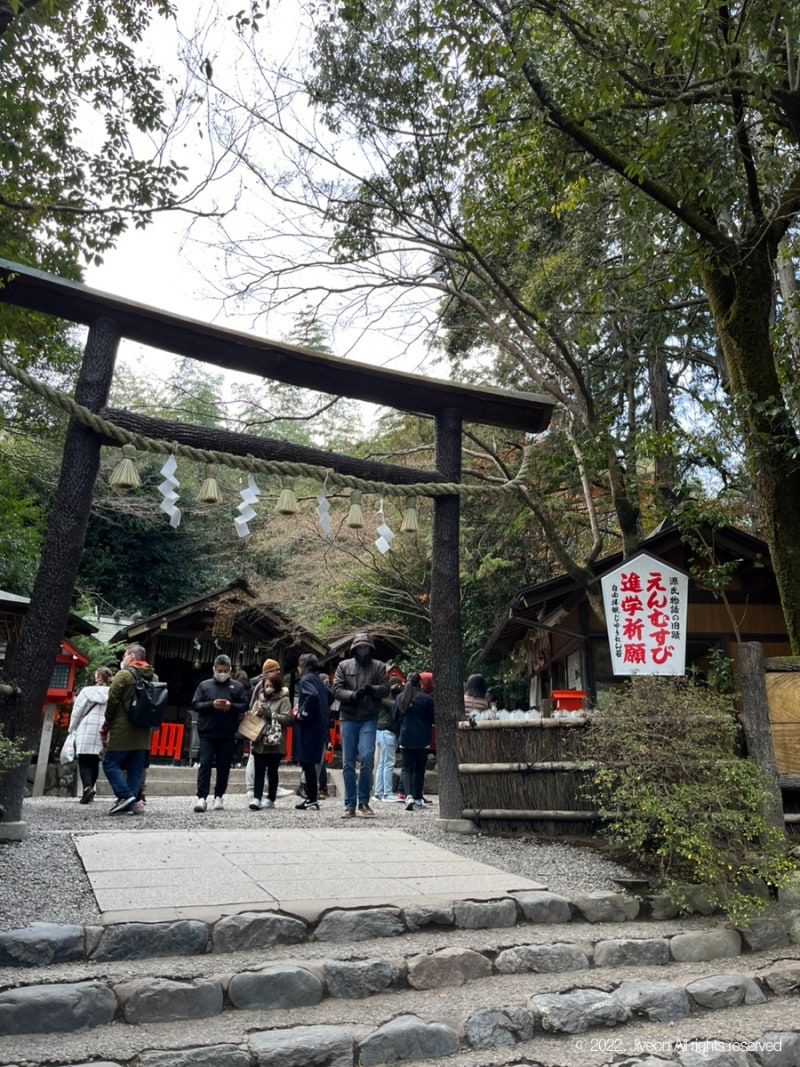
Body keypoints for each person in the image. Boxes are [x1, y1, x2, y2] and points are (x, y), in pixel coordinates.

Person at [333, 632, 389, 819]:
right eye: (360, 647)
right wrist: (353, 695)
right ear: (354, 648)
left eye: (366, 647)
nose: (363, 650)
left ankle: (364, 801)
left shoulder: (379, 666)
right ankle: (350, 804)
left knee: (366, 757)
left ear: (370, 648)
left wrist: (371, 690)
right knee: (348, 761)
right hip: (348, 715)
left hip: (369, 717)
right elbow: (337, 689)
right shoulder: (343, 666)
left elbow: (385, 689)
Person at [102, 644, 157, 816]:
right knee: (135, 767)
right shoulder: (153, 677)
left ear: (131, 657)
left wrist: (107, 723)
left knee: (109, 762)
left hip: (123, 727)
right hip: (143, 730)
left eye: (125, 655)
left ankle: (125, 796)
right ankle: (133, 804)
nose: (123, 659)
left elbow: (112, 701)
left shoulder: (124, 675)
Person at [190, 654, 248, 812]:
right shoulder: (204, 686)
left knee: (224, 766)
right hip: (207, 731)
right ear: (214, 669)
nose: (222, 673)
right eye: (219, 670)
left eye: (225, 670)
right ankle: (201, 797)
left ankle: (219, 796)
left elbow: (244, 705)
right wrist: (211, 704)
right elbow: (195, 704)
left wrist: (231, 707)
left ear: (230, 670)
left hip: (228, 732)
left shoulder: (237, 687)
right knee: (205, 763)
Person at [247, 658, 291, 810]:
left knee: (272, 772)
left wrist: (271, 714)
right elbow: (252, 714)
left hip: (275, 742)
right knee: (259, 771)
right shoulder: (260, 698)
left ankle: (271, 798)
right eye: (266, 686)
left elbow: (286, 719)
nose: (268, 688)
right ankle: (256, 798)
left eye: (271, 686)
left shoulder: (284, 700)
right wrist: (257, 713)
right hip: (259, 740)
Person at [292, 653, 332, 811]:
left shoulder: (306, 679)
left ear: (303, 664)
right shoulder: (319, 681)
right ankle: (312, 798)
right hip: (319, 726)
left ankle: (311, 798)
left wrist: (302, 713)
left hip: (308, 727)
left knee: (307, 763)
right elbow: (330, 696)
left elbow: (312, 696)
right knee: (311, 763)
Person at [69, 666, 112, 804]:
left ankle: (87, 787)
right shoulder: (113, 692)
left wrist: (72, 728)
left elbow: (77, 711)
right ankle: (91, 790)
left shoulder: (87, 691)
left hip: (86, 726)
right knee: (94, 759)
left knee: (83, 759)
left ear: (98, 677)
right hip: (103, 727)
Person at [393, 672, 435, 811]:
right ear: (420, 683)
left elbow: (395, 717)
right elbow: (432, 719)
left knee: (406, 768)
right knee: (419, 769)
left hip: (406, 737)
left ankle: (408, 795)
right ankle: (417, 797)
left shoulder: (401, 698)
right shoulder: (426, 699)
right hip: (422, 738)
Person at [373, 679, 402, 803]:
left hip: (380, 732)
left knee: (382, 763)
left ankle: (378, 792)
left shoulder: (382, 697)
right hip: (387, 732)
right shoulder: (387, 698)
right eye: (398, 685)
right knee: (389, 763)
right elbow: (397, 708)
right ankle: (387, 793)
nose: (399, 687)